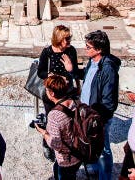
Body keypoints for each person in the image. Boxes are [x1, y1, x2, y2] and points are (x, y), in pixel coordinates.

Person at [37, 24, 83, 160]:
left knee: (68, 119)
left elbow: (75, 72)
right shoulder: (47, 52)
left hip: (67, 91)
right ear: (58, 39)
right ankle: (47, 144)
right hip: (52, 92)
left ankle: (68, 144)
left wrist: (71, 71)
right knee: (51, 118)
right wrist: (51, 75)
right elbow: (40, 72)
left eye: (69, 38)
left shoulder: (71, 51)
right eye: (66, 38)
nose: (69, 41)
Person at [80, 30, 120, 180]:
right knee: (92, 144)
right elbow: (88, 77)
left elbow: (109, 102)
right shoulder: (93, 61)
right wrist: (73, 71)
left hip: (98, 117)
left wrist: (97, 119)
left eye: (88, 47)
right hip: (88, 113)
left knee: (104, 149)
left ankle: (104, 176)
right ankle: (95, 168)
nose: (85, 49)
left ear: (99, 50)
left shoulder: (108, 70)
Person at [35, 74, 81, 180]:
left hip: (66, 159)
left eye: (46, 90)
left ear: (52, 93)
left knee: (64, 175)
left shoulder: (55, 115)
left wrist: (43, 132)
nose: (45, 92)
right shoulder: (76, 102)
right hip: (79, 152)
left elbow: (56, 144)